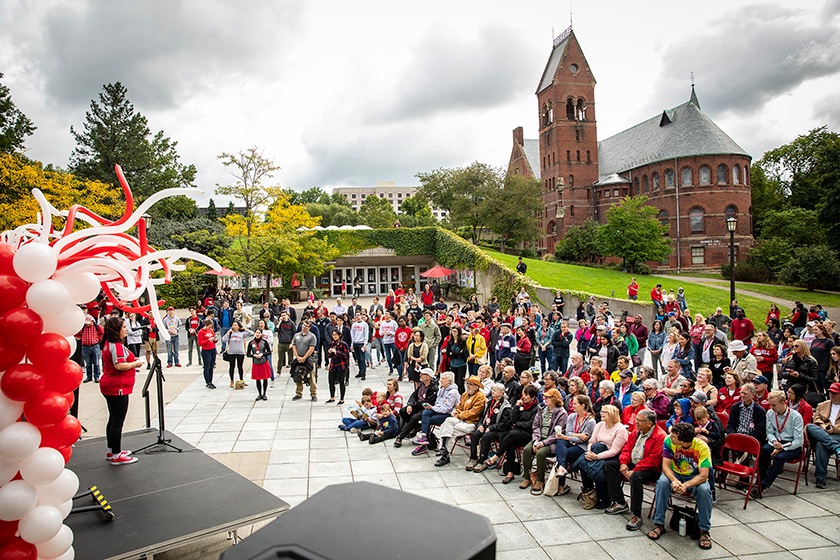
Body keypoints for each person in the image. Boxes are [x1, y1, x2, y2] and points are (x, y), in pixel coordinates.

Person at [647, 422, 714, 550]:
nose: (670, 437)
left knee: (705, 490)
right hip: (674, 473)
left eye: (674, 436)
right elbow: (665, 466)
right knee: (662, 483)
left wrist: (686, 485)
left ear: (683, 440)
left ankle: (704, 530)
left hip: (694, 477)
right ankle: (659, 523)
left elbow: (704, 475)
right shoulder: (668, 441)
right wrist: (674, 481)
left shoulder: (702, 447)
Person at [605, 409, 666, 530]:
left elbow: (654, 460)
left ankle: (636, 514)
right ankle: (620, 501)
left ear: (650, 423)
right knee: (610, 465)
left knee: (635, 477)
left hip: (651, 469)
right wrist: (623, 463)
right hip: (634, 462)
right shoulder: (637, 431)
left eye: (639, 421)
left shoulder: (660, 436)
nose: (636, 422)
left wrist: (635, 469)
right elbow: (627, 448)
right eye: (636, 420)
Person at [100, 316, 143, 465]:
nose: (126, 330)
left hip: (110, 384)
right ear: (116, 330)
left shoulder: (108, 343)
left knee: (112, 419)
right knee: (117, 421)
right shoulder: (116, 345)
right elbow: (119, 365)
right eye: (124, 328)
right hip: (117, 386)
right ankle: (116, 455)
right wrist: (135, 364)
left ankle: (112, 450)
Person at [751, 390, 804, 498]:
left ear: (783, 403)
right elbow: (770, 432)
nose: (771, 407)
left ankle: (764, 485)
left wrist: (782, 448)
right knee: (764, 450)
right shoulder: (770, 413)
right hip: (776, 441)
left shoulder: (796, 416)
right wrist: (774, 442)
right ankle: (760, 480)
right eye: (770, 404)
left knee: (779, 457)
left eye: (774, 405)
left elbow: (798, 441)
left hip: (791, 445)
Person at [576, 404, 628, 510]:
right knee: (587, 459)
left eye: (604, 412)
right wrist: (589, 452)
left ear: (612, 414)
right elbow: (591, 441)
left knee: (597, 467)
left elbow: (614, 450)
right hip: (595, 452)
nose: (601, 413)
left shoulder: (620, 429)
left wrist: (597, 456)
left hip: (610, 456)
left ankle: (602, 498)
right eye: (601, 411)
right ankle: (589, 489)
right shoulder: (600, 425)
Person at [486, 384, 541, 483]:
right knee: (510, 444)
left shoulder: (536, 409)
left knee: (510, 435)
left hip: (528, 435)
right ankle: (510, 473)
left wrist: (517, 423)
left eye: (527, 395)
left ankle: (496, 456)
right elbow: (513, 420)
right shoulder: (520, 405)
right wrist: (516, 406)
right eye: (523, 394)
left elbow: (530, 424)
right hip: (516, 432)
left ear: (533, 397)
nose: (524, 397)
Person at [433, 375, 486, 467]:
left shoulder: (480, 397)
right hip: (461, 418)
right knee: (448, 421)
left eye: (471, 384)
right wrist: (457, 411)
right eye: (467, 383)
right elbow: (459, 406)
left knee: (453, 430)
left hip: (471, 422)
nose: (468, 386)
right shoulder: (465, 394)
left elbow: (474, 413)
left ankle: (445, 455)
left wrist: (459, 414)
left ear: (477, 387)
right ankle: (443, 448)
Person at [411, 371, 460, 455]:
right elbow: (438, 403)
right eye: (441, 378)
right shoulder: (441, 389)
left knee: (427, 420)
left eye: (443, 379)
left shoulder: (453, 392)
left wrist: (432, 408)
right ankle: (424, 438)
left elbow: (446, 409)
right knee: (425, 412)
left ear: (449, 381)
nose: (440, 380)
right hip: (438, 409)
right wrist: (431, 407)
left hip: (448, 413)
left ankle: (425, 442)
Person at [468, 383, 512, 472]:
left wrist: (491, 428)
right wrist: (480, 425)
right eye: (492, 389)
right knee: (476, 434)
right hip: (486, 425)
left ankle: (482, 461)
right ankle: (473, 458)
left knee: (486, 436)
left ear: (501, 393)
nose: (492, 391)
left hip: (498, 430)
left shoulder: (506, 406)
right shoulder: (489, 402)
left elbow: (506, 423)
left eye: (495, 390)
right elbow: (482, 416)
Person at [805, 382, 840, 489]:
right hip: (822, 432)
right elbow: (816, 419)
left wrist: (833, 429)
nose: (832, 395)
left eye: (835, 393)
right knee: (810, 427)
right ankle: (837, 448)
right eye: (830, 393)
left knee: (821, 445)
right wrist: (823, 427)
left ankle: (821, 479)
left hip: (837, 435)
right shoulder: (822, 405)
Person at [394, 368, 438, 447]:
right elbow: (413, 395)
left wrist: (413, 405)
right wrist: (410, 405)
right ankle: (416, 427)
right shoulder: (421, 385)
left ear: (428, 377)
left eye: (422, 374)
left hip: (426, 409)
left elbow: (427, 403)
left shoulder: (433, 388)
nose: (420, 375)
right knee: (403, 411)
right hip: (417, 406)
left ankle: (400, 436)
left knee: (414, 418)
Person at [291, 321, 318, 402]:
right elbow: (294, 346)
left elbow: (311, 348)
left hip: (309, 359)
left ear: (309, 328)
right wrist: (297, 357)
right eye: (304, 325)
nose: (304, 327)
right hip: (298, 358)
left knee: (312, 377)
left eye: (307, 326)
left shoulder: (312, 336)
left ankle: (313, 394)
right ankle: (298, 393)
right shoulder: (296, 335)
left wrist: (304, 357)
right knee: (298, 375)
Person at [223, 321, 253, 388]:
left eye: (236, 325)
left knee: (240, 367)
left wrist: (244, 328)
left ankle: (241, 380)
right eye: (233, 325)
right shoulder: (230, 334)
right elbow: (224, 339)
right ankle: (232, 381)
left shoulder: (242, 333)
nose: (234, 326)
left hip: (240, 352)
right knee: (232, 367)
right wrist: (227, 333)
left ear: (238, 326)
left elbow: (251, 333)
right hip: (231, 352)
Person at [246, 329, 272, 401]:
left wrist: (262, 354)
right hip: (256, 362)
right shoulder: (251, 343)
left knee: (265, 378)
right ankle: (259, 394)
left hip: (263, 362)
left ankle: (264, 394)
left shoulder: (264, 342)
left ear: (261, 334)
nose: (257, 334)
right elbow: (248, 354)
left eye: (259, 333)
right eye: (256, 333)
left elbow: (269, 352)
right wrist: (253, 355)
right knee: (257, 379)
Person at [326, 329, 349, 404]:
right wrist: (330, 352)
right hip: (333, 365)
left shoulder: (343, 344)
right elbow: (329, 356)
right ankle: (332, 397)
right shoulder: (332, 344)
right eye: (333, 335)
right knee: (331, 381)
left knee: (341, 382)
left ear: (339, 335)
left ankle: (342, 399)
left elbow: (346, 356)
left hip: (341, 365)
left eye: (336, 335)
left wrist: (337, 352)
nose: (334, 336)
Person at [80, 313, 104, 383]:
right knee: (88, 363)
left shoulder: (97, 327)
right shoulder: (83, 328)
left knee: (96, 363)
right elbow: (78, 334)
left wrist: (98, 339)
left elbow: (102, 332)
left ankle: (96, 377)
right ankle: (89, 376)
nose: (87, 324)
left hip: (95, 345)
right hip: (85, 346)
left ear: (92, 321)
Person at [197, 319, 218, 389]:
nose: (210, 328)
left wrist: (215, 340)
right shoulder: (201, 332)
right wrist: (208, 340)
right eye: (209, 327)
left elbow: (214, 339)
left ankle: (211, 381)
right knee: (207, 366)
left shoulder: (211, 331)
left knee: (211, 366)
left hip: (212, 349)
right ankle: (207, 382)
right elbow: (200, 343)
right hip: (206, 350)